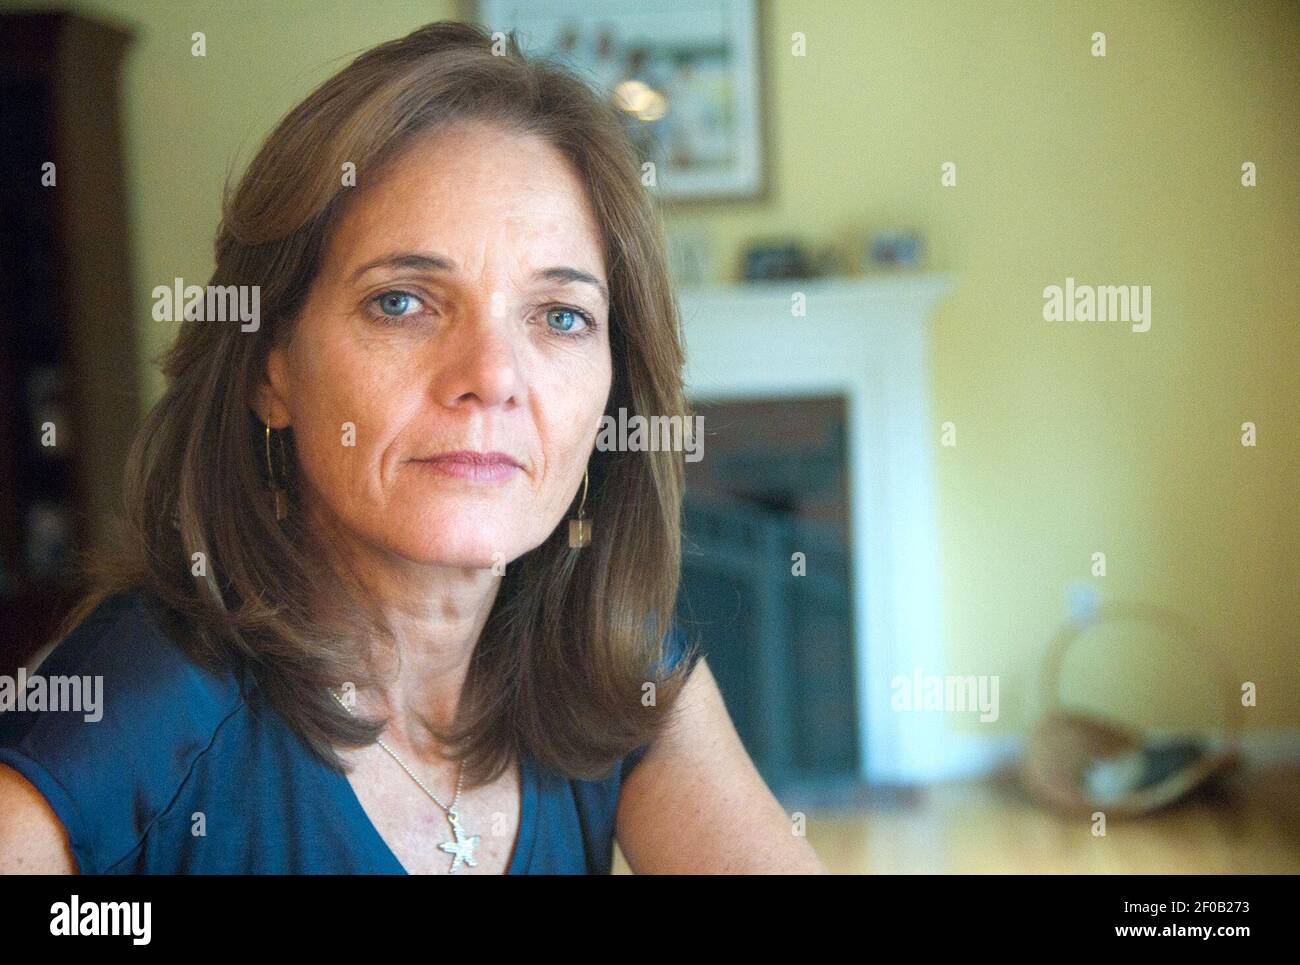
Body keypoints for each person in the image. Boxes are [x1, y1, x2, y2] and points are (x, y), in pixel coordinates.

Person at [0, 20, 826, 875]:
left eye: (561, 316)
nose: (493, 375)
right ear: (269, 364)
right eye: (402, 302)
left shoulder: (609, 667)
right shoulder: (136, 711)